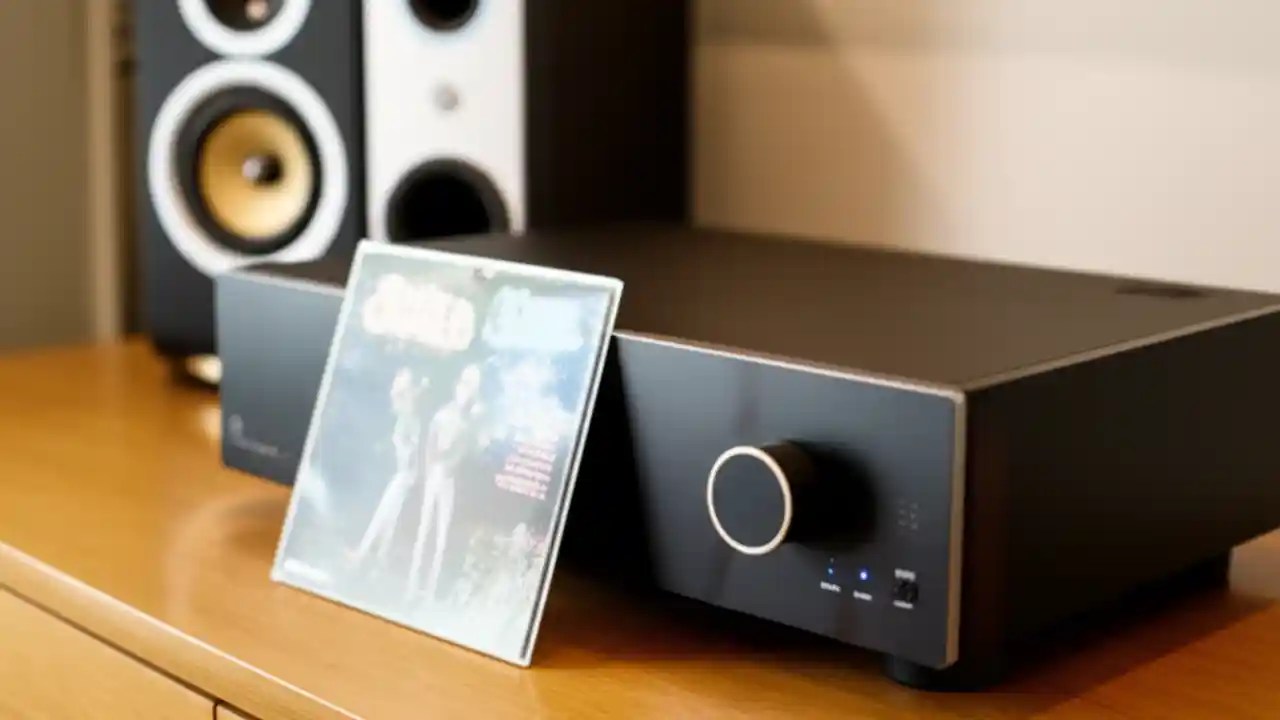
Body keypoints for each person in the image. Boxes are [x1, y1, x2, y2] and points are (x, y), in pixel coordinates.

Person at [407, 363, 483, 603]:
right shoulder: (443, 414)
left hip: (448, 480)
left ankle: (430, 589)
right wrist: (433, 467)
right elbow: (430, 443)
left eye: (471, 387)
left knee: (441, 533)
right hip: (436, 477)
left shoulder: (469, 421)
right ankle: (413, 584)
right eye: (464, 384)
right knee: (425, 528)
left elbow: (463, 452)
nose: (465, 391)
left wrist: (444, 466)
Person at [351, 367, 423, 568]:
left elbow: (412, 450)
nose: (396, 395)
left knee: (383, 515)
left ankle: (363, 554)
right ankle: (377, 558)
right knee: (388, 517)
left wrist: (406, 459)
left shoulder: (411, 419)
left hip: (405, 475)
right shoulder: (405, 417)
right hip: (403, 474)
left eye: (403, 391)